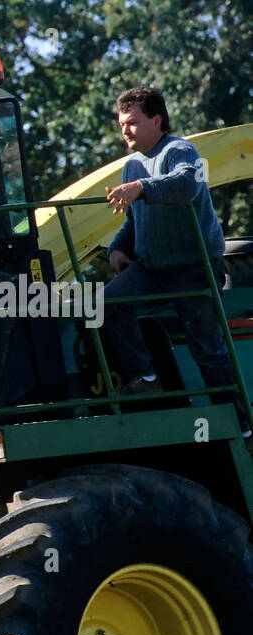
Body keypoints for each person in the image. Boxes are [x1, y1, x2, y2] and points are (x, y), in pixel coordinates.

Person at [100, 87, 247, 435]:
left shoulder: (181, 151)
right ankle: (147, 377)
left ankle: (242, 428)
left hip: (193, 270)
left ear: (157, 120)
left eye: (132, 123)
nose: (125, 131)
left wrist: (141, 187)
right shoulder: (132, 166)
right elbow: (134, 222)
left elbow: (185, 186)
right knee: (106, 303)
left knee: (208, 352)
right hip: (152, 269)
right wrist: (117, 249)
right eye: (122, 124)